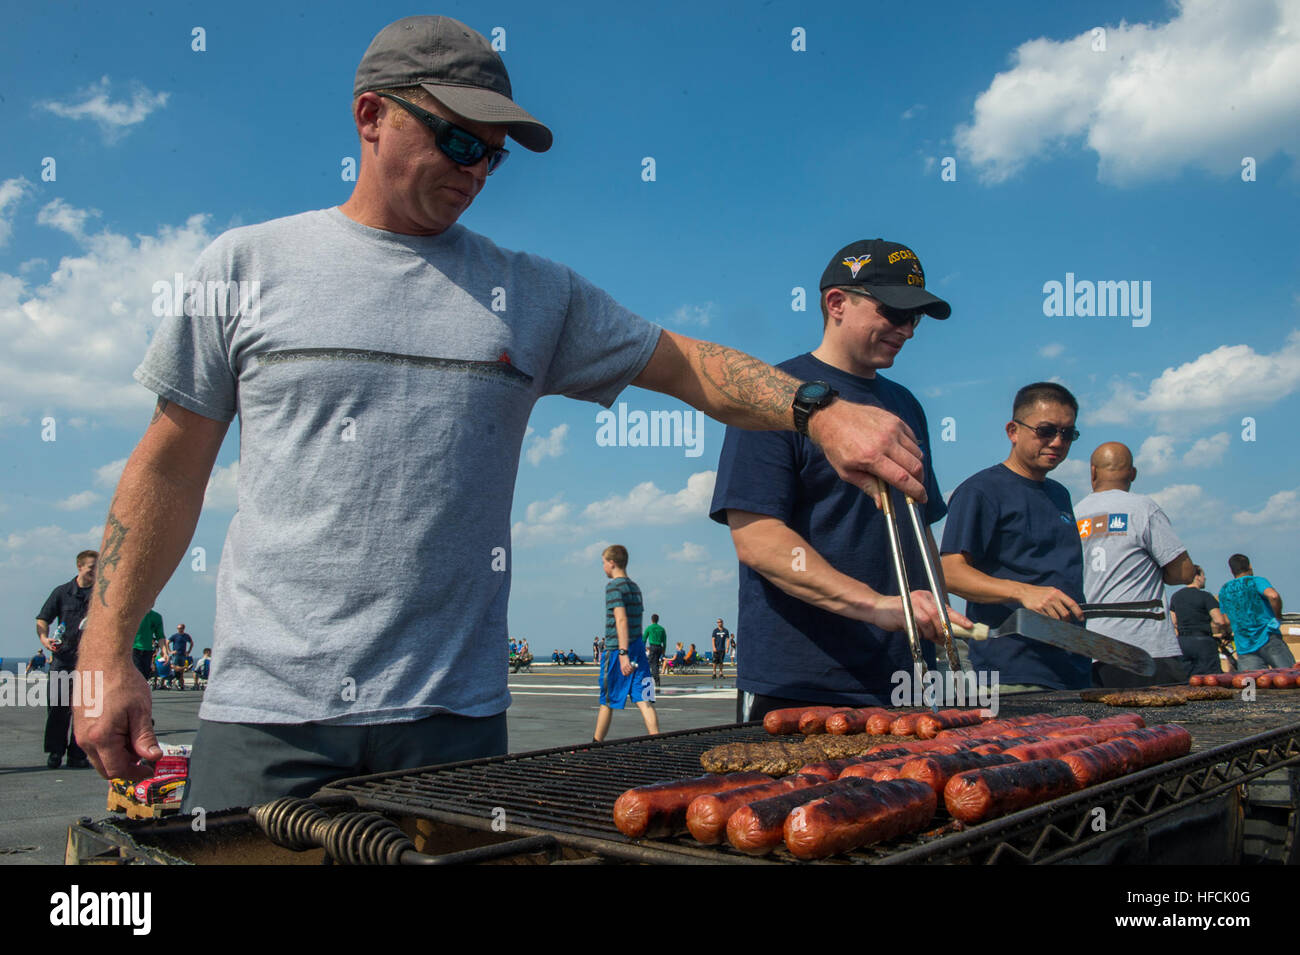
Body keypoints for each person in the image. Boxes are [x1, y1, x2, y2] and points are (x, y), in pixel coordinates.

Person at [75, 16, 936, 808]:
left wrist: (817, 409)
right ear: (371, 116)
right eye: (457, 139)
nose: (476, 171)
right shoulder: (246, 266)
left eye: (494, 156)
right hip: (269, 715)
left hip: (455, 721)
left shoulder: (533, 293)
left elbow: (688, 366)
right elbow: (168, 467)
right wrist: (104, 651)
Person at [710, 239, 971, 721]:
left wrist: (942, 617)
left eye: (916, 318)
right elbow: (758, 540)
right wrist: (877, 606)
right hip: (802, 683)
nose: (908, 330)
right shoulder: (774, 397)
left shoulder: (907, 406)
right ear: (836, 303)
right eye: (895, 312)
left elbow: (919, 529)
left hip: (905, 678)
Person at [941, 383, 1091, 692]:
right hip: (1012, 673)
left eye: (1067, 434)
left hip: (1072, 670)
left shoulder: (1059, 494)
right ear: (1013, 430)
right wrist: (1023, 592)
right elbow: (949, 572)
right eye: (1046, 431)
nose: (1057, 442)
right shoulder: (981, 491)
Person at [1073, 442, 1196, 687]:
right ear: (1133, 474)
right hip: (1145, 647)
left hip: (1092, 648)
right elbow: (1184, 573)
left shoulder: (1075, 514)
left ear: (1093, 472)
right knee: (1163, 712)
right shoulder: (1143, 508)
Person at [36, 551, 97, 769]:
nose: (96, 571)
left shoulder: (103, 594)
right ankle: (55, 752)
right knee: (58, 708)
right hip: (63, 659)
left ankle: (78, 754)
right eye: (92, 566)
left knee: (86, 711)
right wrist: (45, 639)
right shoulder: (61, 593)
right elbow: (43, 619)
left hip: (91, 661)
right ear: (80, 566)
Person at [593, 546, 659, 742]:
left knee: (607, 700)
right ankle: (659, 741)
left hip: (617, 650)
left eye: (604, 562)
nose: (603, 566)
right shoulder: (635, 587)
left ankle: (594, 745)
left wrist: (623, 654)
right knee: (644, 699)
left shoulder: (613, 587)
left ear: (612, 563)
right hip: (638, 648)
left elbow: (621, 620)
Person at [1218, 554, 1292, 671]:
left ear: (1232, 571)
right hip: (1268, 637)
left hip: (1244, 646)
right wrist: (1277, 617)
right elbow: (1273, 596)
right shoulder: (1256, 581)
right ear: (1250, 566)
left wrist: (1226, 633)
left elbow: (1226, 621)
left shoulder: (1224, 590)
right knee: (1288, 676)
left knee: (1252, 681)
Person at [1170, 565, 1231, 676]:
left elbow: (1173, 622)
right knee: (1210, 678)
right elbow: (1219, 621)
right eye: (1203, 575)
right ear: (1197, 577)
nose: (1205, 578)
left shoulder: (1175, 596)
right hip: (1203, 642)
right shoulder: (1205, 596)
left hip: (1182, 643)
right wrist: (1225, 631)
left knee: (1188, 679)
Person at [132, 608, 165, 682]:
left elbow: (160, 636)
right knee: (138, 676)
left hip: (148, 651)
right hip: (133, 649)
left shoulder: (156, 617)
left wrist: (164, 652)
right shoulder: (132, 614)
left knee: (145, 677)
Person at [168, 624, 195, 690]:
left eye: (181, 628)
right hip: (176, 655)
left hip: (183, 655)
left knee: (182, 671)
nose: (179, 629)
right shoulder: (175, 636)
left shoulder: (186, 636)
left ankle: (181, 684)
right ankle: (171, 681)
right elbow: (167, 642)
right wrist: (170, 651)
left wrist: (188, 651)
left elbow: (191, 643)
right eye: (178, 628)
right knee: (175, 669)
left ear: (183, 628)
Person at [643, 614, 667, 687]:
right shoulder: (662, 629)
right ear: (658, 620)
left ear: (652, 620)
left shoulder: (649, 628)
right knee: (655, 663)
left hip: (653, 647)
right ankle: (656, 679)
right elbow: (664, 641)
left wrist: (643, 648)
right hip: (659, 647)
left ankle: (656, 679)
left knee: (652, 663)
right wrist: (664, 651)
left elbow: (644, 639)